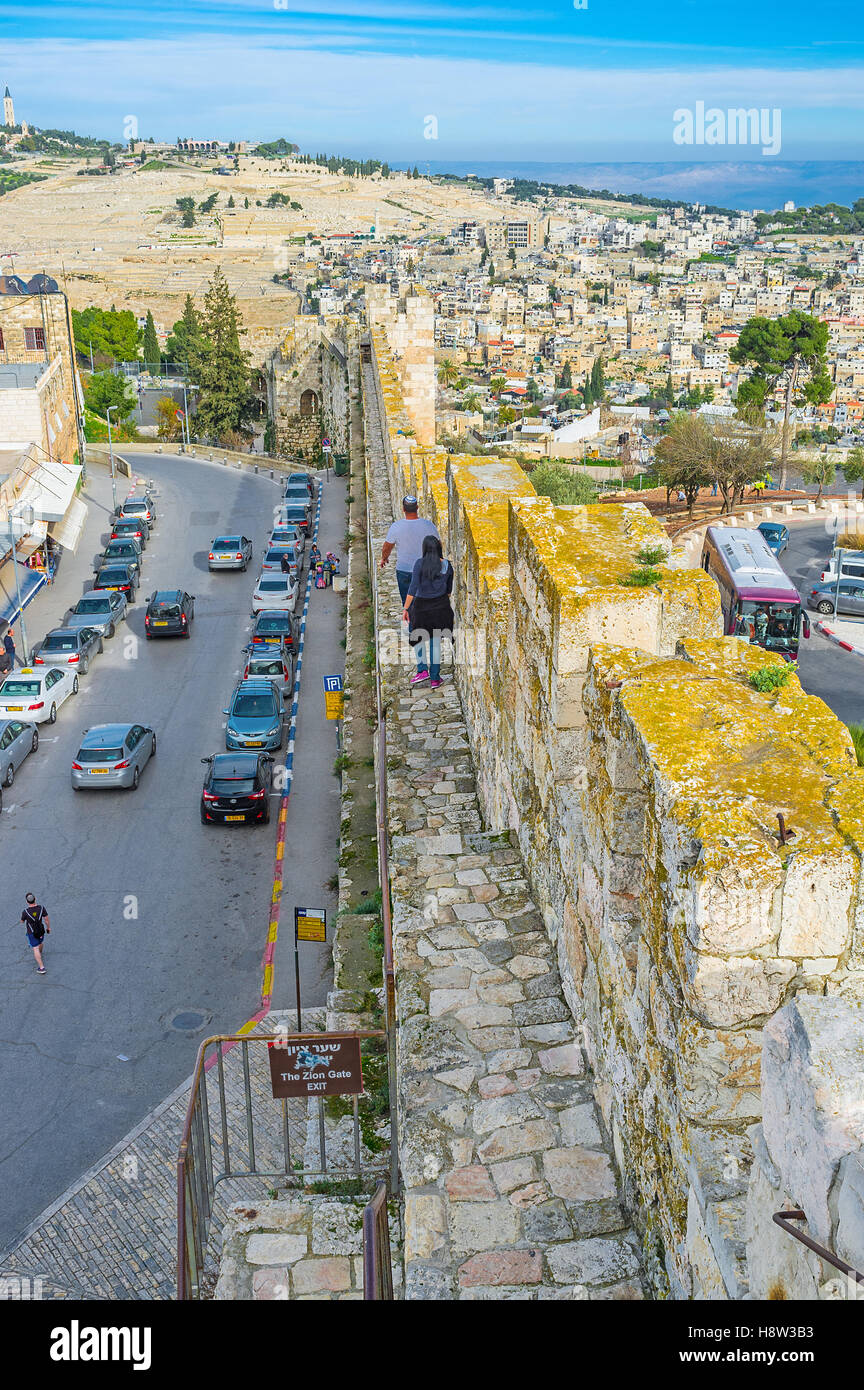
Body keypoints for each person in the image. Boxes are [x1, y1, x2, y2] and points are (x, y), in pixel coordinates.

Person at [402, 535, 454, 690]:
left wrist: (406, 609)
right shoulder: (447, 566)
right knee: (435, 644)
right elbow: (449, 591)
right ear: (439, 548)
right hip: (440, 607)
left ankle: (422, 670)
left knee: (417, 637)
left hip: (421, 607)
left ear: (424, 548)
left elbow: (413, 588)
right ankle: (435, 679)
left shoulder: (419, 564)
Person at [380, 496, 439, 606]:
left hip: (404, 571)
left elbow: (387, 547)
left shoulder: (396, 527)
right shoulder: (429, 526)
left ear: (403, 509)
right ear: (417, 507)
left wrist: (384, 558)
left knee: (409, 605)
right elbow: (438, 547)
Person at [21, 892, 50, 974]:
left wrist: (22, 920)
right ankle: (40, 954)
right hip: (41, 930)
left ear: (27, 902)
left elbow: (22, 921)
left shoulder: (25, 912)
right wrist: (48, 928)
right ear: (35, 899)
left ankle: (41, 968)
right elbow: (46, 920)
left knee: (35, 948)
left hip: (32, 933)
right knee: (41, 942)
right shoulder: (41, 908)